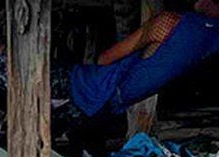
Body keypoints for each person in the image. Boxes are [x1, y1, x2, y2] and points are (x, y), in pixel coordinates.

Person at [71, 0, 219, 117]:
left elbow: (104, 58)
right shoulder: (211, 40)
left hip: (90, 88)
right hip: (110, 103)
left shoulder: (169, 22)